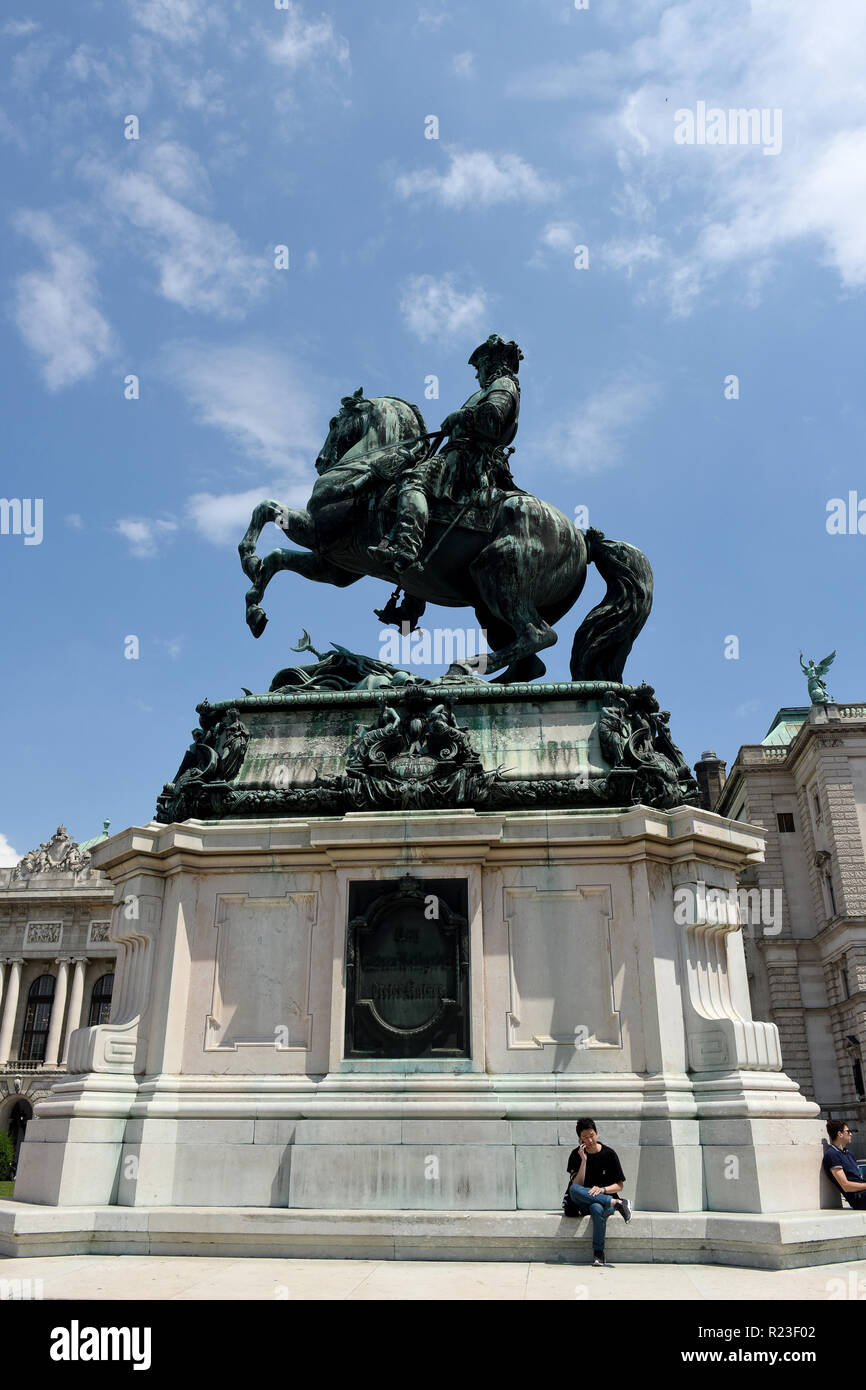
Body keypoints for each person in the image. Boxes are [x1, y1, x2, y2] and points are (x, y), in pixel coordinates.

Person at [367, 334, 523, 574]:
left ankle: (406, 547)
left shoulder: (503, 384)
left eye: (479, 367)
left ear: (490, 364)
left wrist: (460, 416)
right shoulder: (492, 388)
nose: (476, 374)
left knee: (412, 481)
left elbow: (493, 419)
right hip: (460, 455)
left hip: (467, 459)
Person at [565, 1118, 632, 1267]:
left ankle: (598, 1253)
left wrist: (602, 1190)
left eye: (591, 1135)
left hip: (602, 1201)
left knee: (597, 1208)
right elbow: (577, 1185)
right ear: (580, 1139)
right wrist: (583, 1160)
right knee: (573, 1189)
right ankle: (617, 1203)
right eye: (584, 1138)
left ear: (597, 1134)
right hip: (585, 1201)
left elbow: (619, 1186)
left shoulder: (609, 1154)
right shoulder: (576, 1155)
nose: (589, 1140)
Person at [823, 1120, 866, 1207]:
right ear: (840, 1134)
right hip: (858, 1198)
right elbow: (846, 1186)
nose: (851, 1134)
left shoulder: (850, 1154)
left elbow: (858, 1178)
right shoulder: (832, 1155)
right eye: (848, 1131)